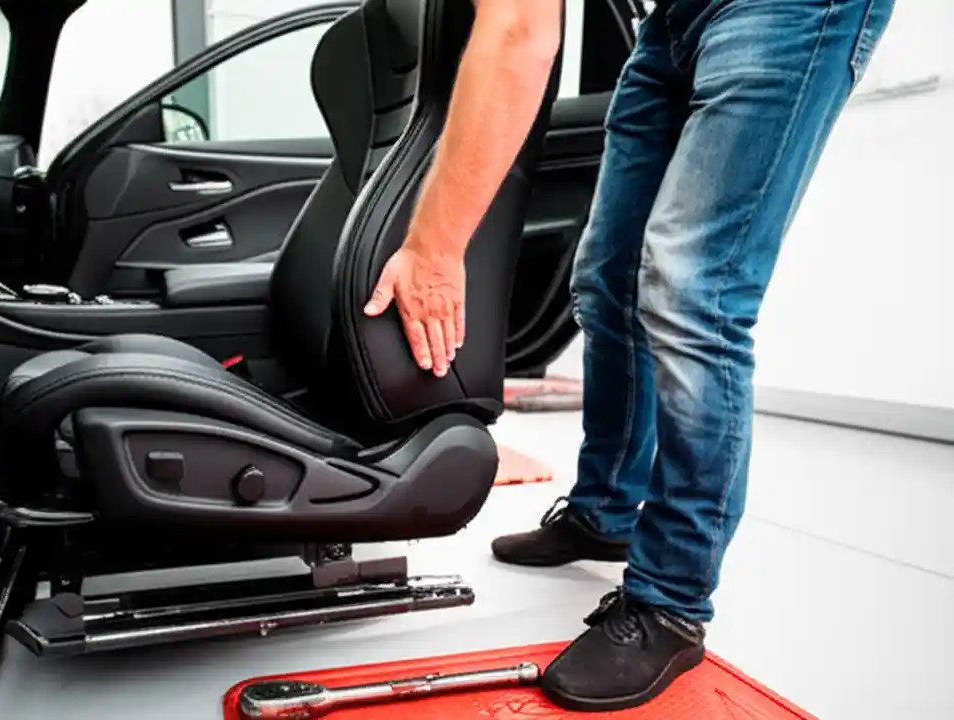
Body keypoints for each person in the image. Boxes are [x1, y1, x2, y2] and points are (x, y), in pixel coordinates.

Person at [365, 0, 894, 712]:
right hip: (672, 21)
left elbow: (519, 34)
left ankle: (672, 599)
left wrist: (434, 248)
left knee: (692, 290)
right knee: (607, 280)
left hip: (786, 13)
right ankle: (607, 510)